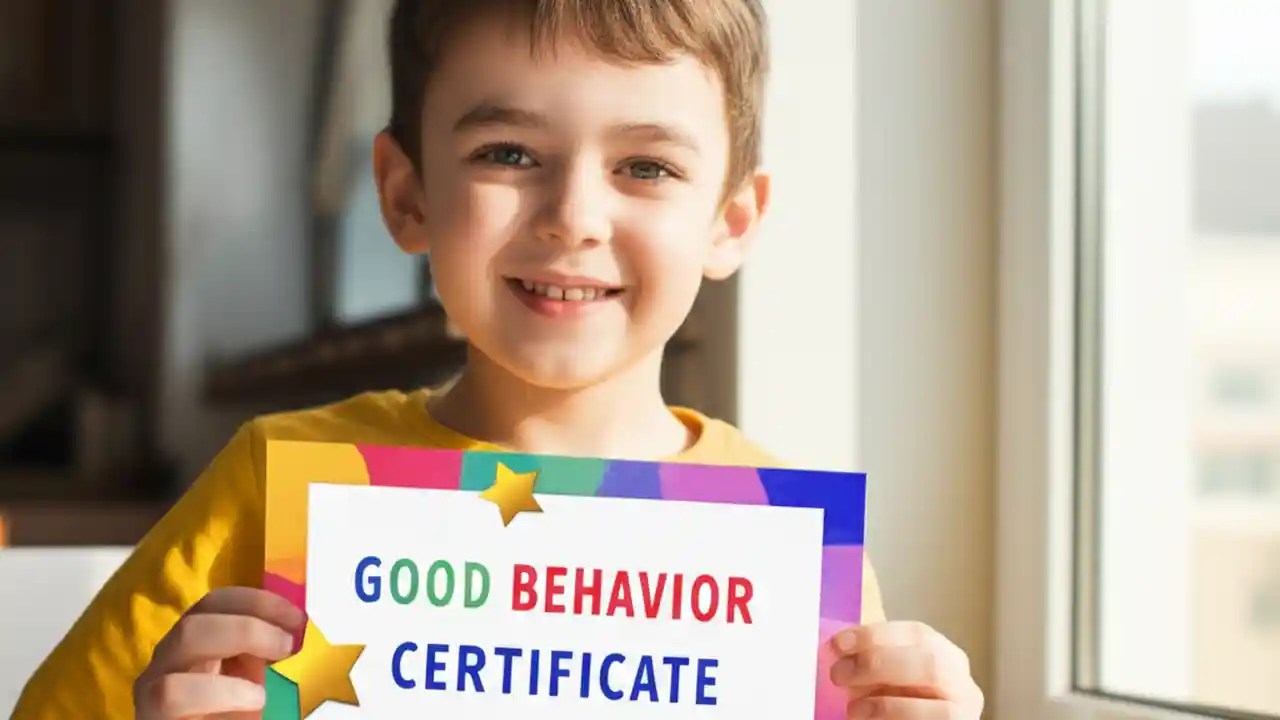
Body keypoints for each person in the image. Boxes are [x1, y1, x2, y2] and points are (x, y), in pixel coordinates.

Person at [14, 1, 984, 718]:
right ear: (406, 196)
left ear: (728, 223)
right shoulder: (273, 485)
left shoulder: (788, 548)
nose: (573, 216)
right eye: (509, 153)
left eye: (643, 166)